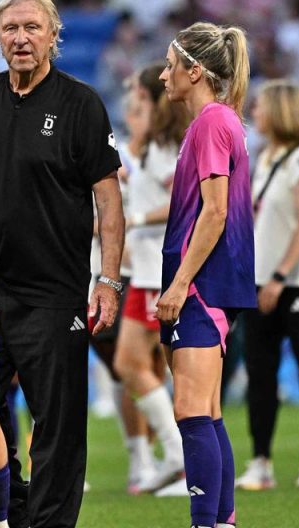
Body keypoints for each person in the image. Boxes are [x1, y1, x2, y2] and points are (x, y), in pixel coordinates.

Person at [0, 0, 125, 528]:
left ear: (53, 35)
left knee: (59, 422)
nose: (21, 38)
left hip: (56, 290)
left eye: (32, 28)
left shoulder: (81, 103)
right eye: (10, 28)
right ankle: (14, 506)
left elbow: (109, 198)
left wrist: (109, 279)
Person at [156, 22, 255, 528]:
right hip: (211, 282)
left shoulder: (213, 120)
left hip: (202, 284)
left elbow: (214, 212)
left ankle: (204, 523)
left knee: (191, 410)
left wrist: (178, 283)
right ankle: (221, 521)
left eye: (170, 65)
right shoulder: (217, 121)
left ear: (195, 71)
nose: (162, 74)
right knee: (208, 412)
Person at [236, 79, 299, 491]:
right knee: (260, 373)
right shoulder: (265, 158)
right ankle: (261, 460)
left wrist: (279, 277)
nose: (254, 113)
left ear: (278, 111)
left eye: (259, 107)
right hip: (261, 283)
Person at [113, 64, 192, 496]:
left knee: (130, 364)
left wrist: (136, 218)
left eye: (140, 95)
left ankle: (179, 454)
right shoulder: (150, 146)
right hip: (145, 268)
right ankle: (178, 457)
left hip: (154, 271)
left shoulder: (164, 148)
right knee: (151, 367)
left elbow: (185, 200)